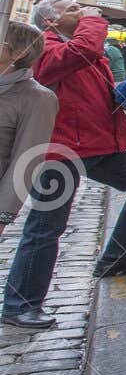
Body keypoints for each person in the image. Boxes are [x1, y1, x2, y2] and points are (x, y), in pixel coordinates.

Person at [6, 0, 126, 300]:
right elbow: (80, 52)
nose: (82, 13)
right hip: (58, 149)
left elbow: (85, 78)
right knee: (46, 226)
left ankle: (119, 258)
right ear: (50, 22)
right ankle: (21, 303)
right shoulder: (42, 48)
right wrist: (93, 21)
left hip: (94, 144)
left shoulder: (80, 47)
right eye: (72, 10)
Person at [0, 23, 59, 327]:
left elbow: (26, 160)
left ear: (18, 52)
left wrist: (3, 215)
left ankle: (18, 306)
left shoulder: (38, 98)